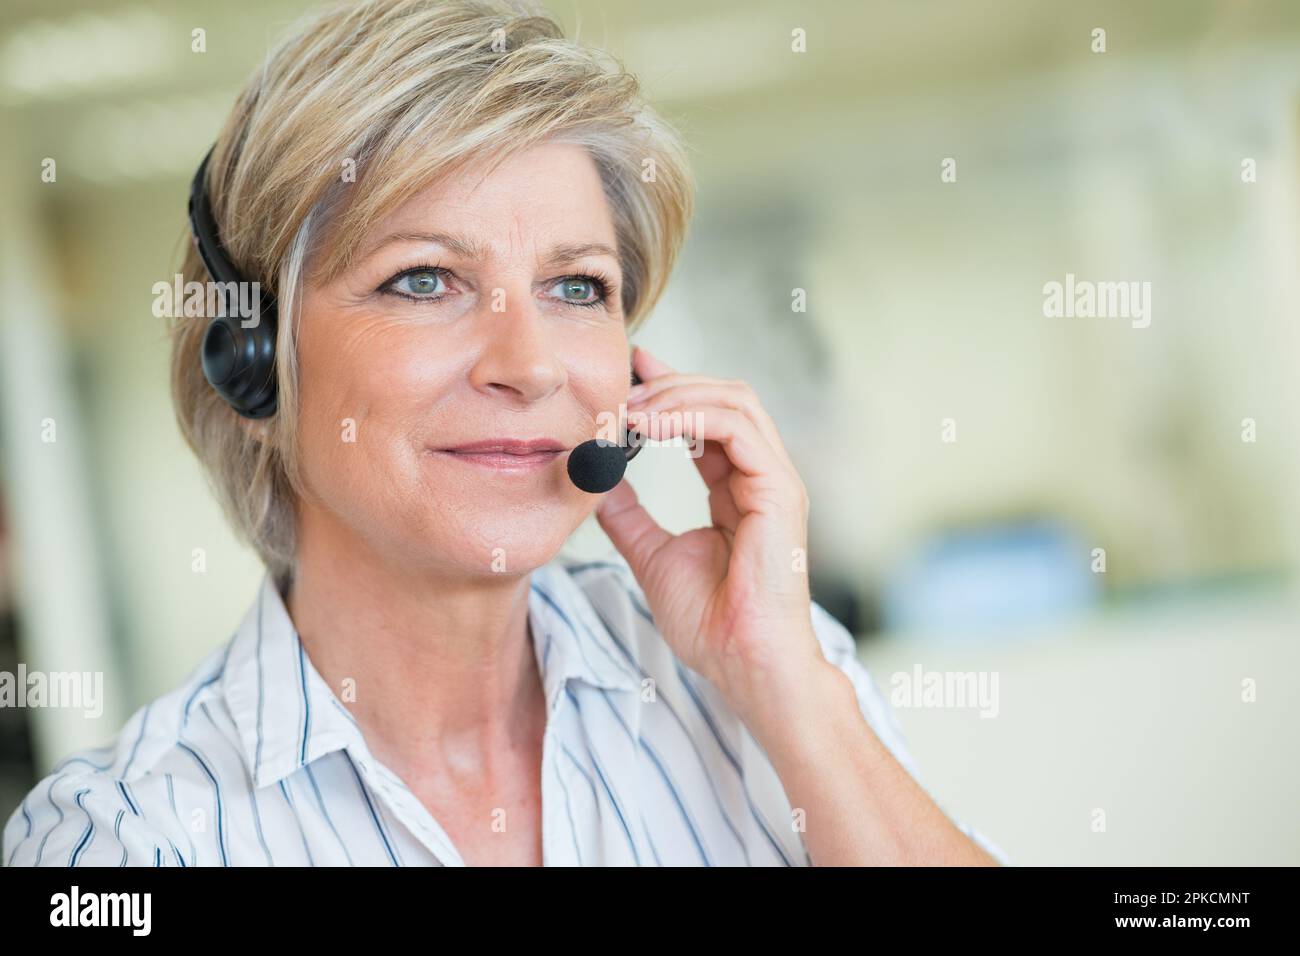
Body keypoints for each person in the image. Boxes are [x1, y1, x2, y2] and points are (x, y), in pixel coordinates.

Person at [3, 0, 1005, 866]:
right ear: (252, 359)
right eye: (423, 279)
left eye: (577, 288)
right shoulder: (125, 839)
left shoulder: (764, 676)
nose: (528, 364)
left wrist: (783, 682)